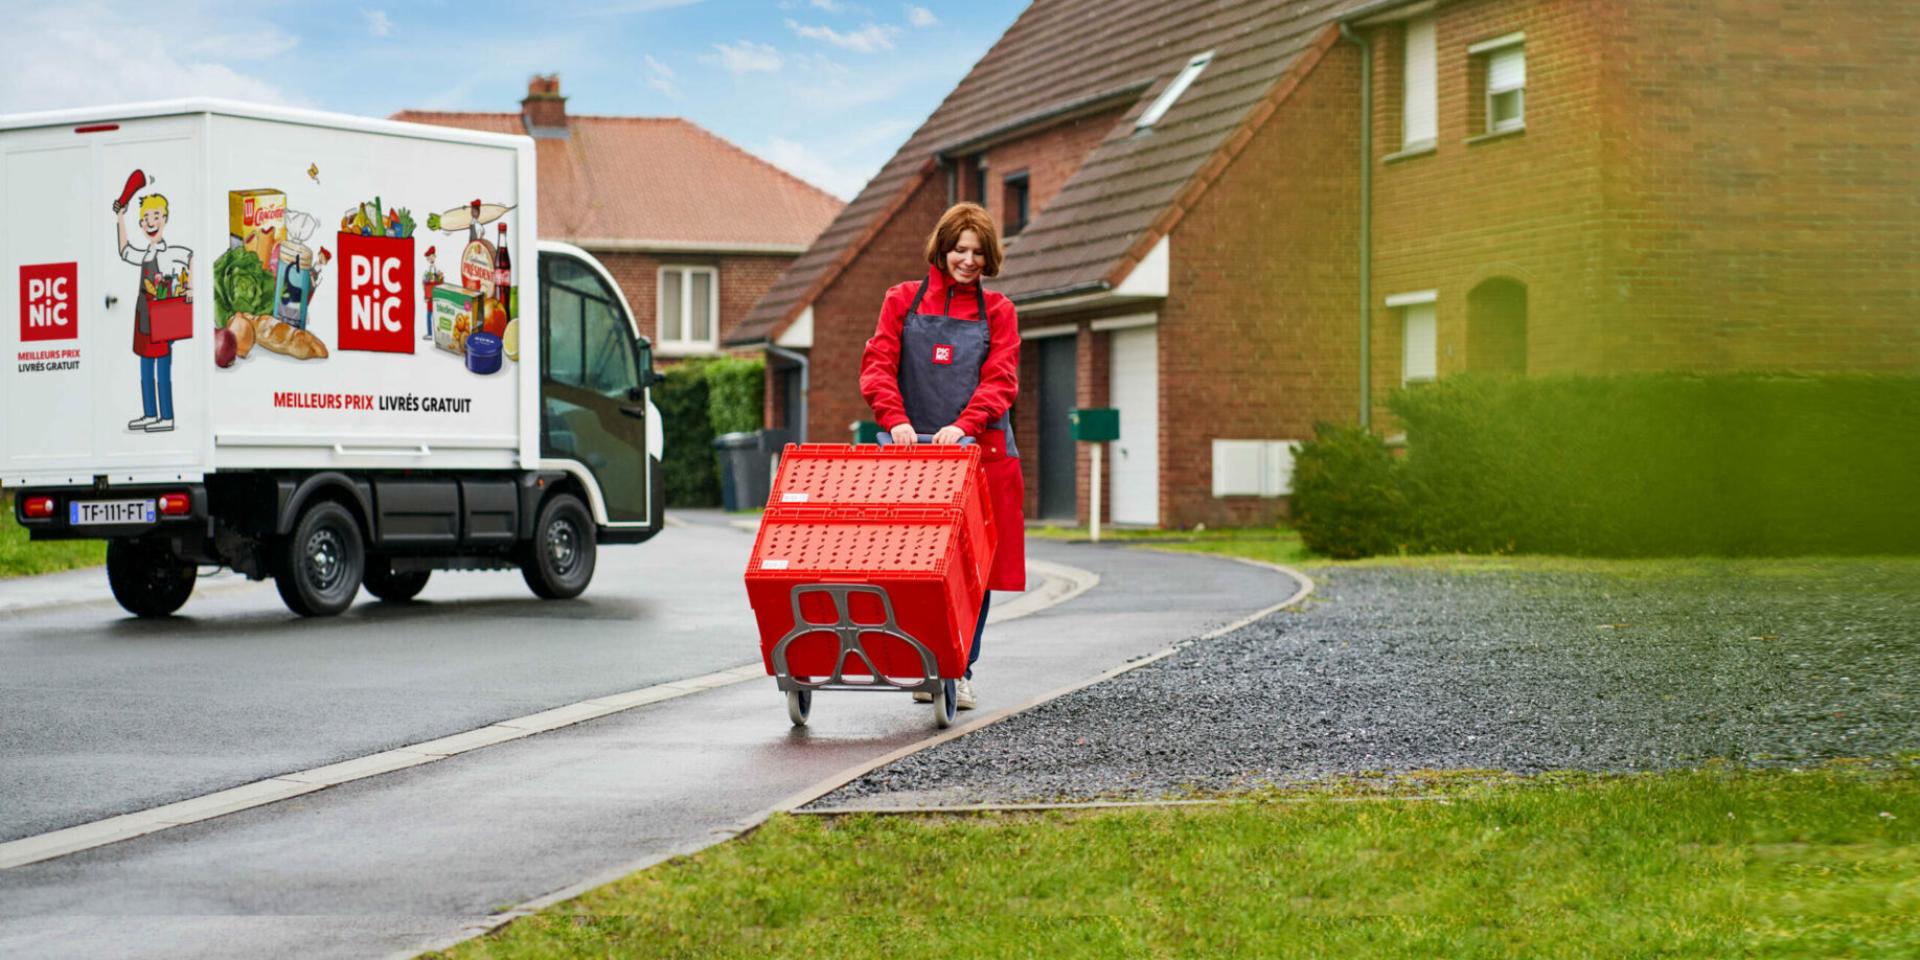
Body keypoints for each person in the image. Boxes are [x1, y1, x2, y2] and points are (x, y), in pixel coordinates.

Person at [860, 201, 1026, 710]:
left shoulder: (998, 312)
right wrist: (897, 421)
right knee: (911, 567)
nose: (968, 261)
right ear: (943, 249)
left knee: (973, 571)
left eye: (978, 252)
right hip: (910, 458)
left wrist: (963, 426)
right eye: (960, 249)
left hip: (979, 454)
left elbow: (1001, 380)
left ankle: (961, 668)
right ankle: (920, 662)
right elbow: (878, 366)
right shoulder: (902, 302)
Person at [116, 192, 192, 433]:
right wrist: (120, 218)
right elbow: (125, 251)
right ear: (140, 224)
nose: (151, 222)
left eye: (156, 216)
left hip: (162, 316)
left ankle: (166, 417)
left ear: (165, 219)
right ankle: (150, 413)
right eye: (146, 218)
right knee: (145, 367)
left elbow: (192, 257)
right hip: (144, 316)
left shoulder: (168, 252)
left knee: (162, 369)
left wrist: (191, 286)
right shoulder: (145, 253)